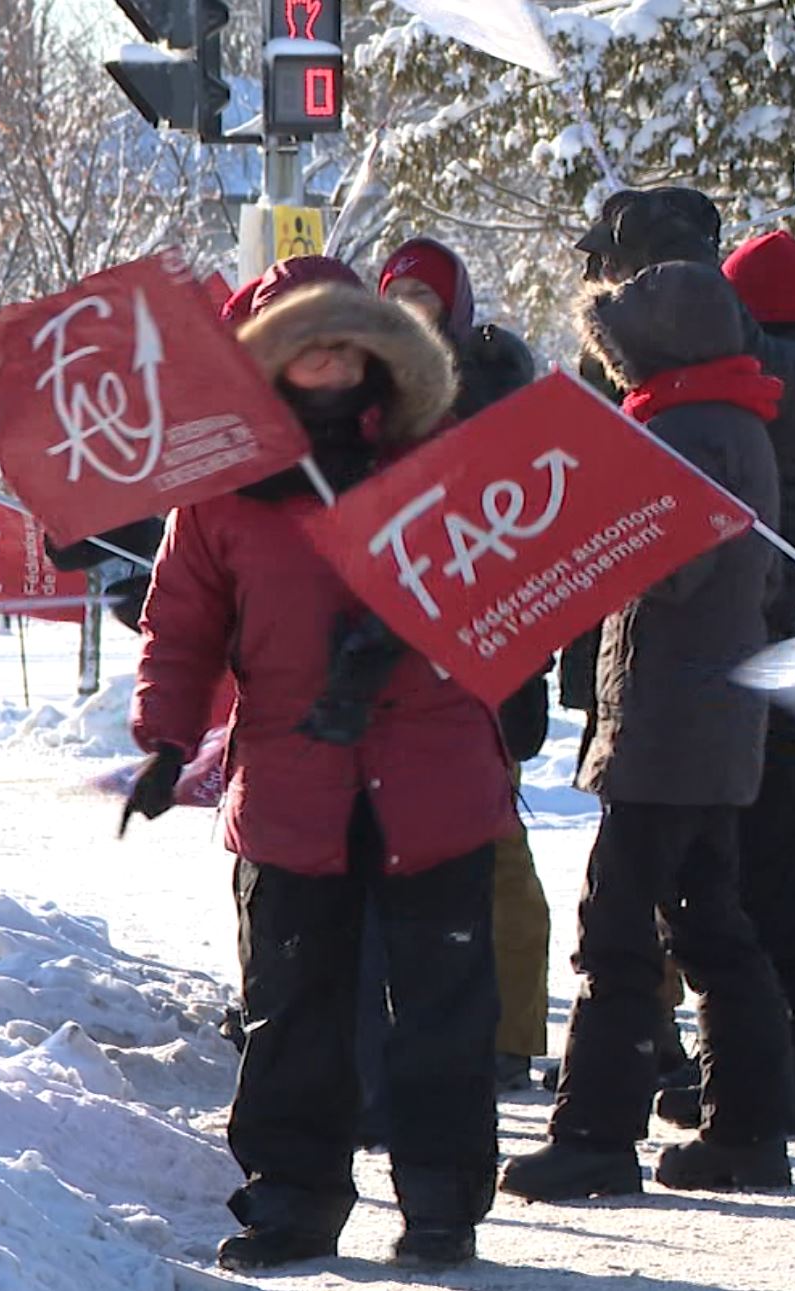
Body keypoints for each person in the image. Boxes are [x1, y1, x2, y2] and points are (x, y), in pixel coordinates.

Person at [125, 274, 512, 1270]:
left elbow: (505, 585)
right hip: (292, 786)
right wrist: (166, 739)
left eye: (348, 345)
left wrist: (411, 640)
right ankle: (291, 1199)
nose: (330, 364)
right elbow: (182, 627)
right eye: (308, 347)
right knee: (293, 1010)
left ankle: (441, 1200)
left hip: (433, 780)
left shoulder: (440, 458)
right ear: (264, 358)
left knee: (441, 1011)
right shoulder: (219, 491)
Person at [499, 261, 793, 1201]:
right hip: (704, 718)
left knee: (618, 930)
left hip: (672, 722)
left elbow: (668, 570)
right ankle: (748, 1129)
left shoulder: (685, 428)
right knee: (711, 926)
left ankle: (595, 1133)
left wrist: (593, 501)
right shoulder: (723, 417)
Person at [573, 201, 795, 1136]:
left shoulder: (730, 406)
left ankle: (766, 1077)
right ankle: (771, 1087)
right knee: (740, 889)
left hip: (724, 669)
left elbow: (667, 559)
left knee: (727, 891)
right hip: (772, 654)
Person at [375, 236, 556, 1093]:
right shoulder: (372, 397)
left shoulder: (492, 396)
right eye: (395, 299)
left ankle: (511, 1032)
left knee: (498, 856)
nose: (411, 315)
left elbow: (520, 539)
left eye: (425, 299)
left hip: (482, 650)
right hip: (391, 658)